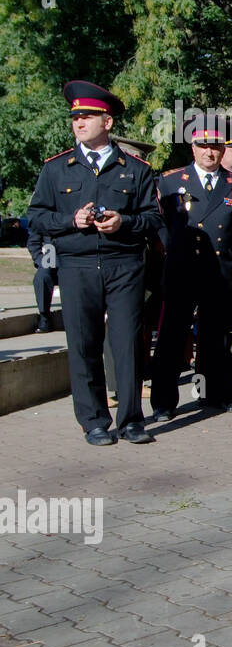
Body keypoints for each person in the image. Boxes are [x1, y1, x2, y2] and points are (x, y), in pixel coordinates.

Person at [26, 80, 161, 445]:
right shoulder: (56, 169)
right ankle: (94, 421)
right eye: (75, 117)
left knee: (127, 344)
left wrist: (124, 222)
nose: (79, 122)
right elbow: (36, 217)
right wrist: (72, 220)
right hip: (77, 267)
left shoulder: (135, 168)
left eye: (87, 116)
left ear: (108, 122)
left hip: (124, 265)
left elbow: (153, 219)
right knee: (84, 344)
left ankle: (132, 419)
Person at [151, 116, 232, 418]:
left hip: (220, 272)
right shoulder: (170, 181)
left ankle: (209, 394)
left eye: (216, 147)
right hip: (183, 269)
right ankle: (164, 402)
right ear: (193, 147)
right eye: (203, 146)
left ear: (223, 149)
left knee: (213, 338)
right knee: (172, 336)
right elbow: (159, 225)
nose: (210, 153)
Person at [27, 223, 56, 333]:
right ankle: (44, 317)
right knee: (42, 276)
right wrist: (40, 261)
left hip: (73, 257)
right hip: (50, 255)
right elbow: (33, 243)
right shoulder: (43, 218)